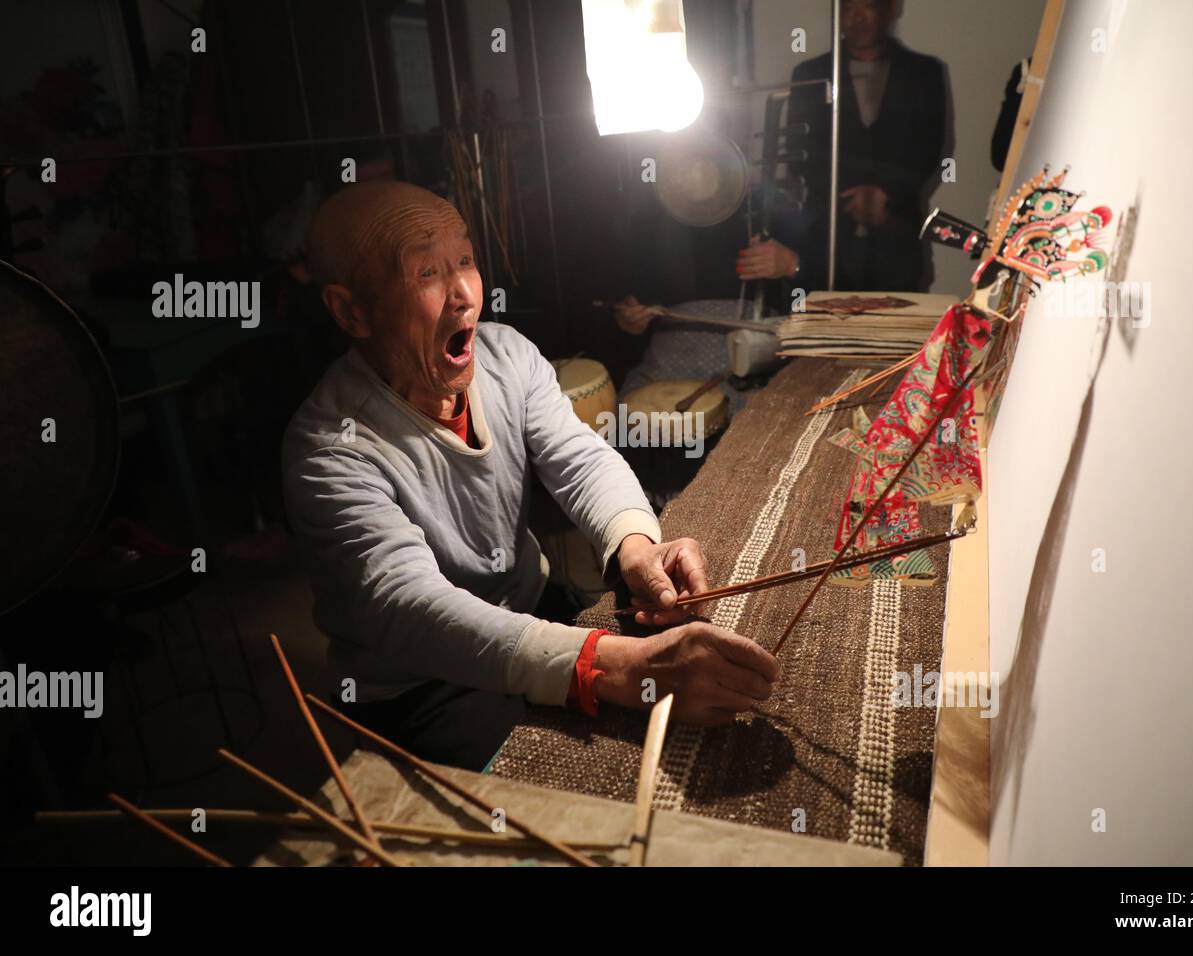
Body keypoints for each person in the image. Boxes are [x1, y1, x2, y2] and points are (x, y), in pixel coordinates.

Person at [281, 181, 779, 769]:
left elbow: (579, 457)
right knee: (585, 782)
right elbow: (409, 606)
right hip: (422, 685)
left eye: (464, 260)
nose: (464, 293)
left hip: (529, 606)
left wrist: (636, 545)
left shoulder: (506, 355)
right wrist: (618, 669)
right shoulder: (329, 451)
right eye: (424, 274)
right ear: (351, 311)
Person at [740, 0, 947, 293]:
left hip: (896, 234)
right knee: (826, 326)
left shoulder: (924, 72)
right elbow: (801, 150)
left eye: (868, 7)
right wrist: (850, 197)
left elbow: (928, 148)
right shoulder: (810, 73)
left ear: (889, 10)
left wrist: (885, 196)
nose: (857, 17)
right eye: (848, 8)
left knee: (898, 327)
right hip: (826, 234)